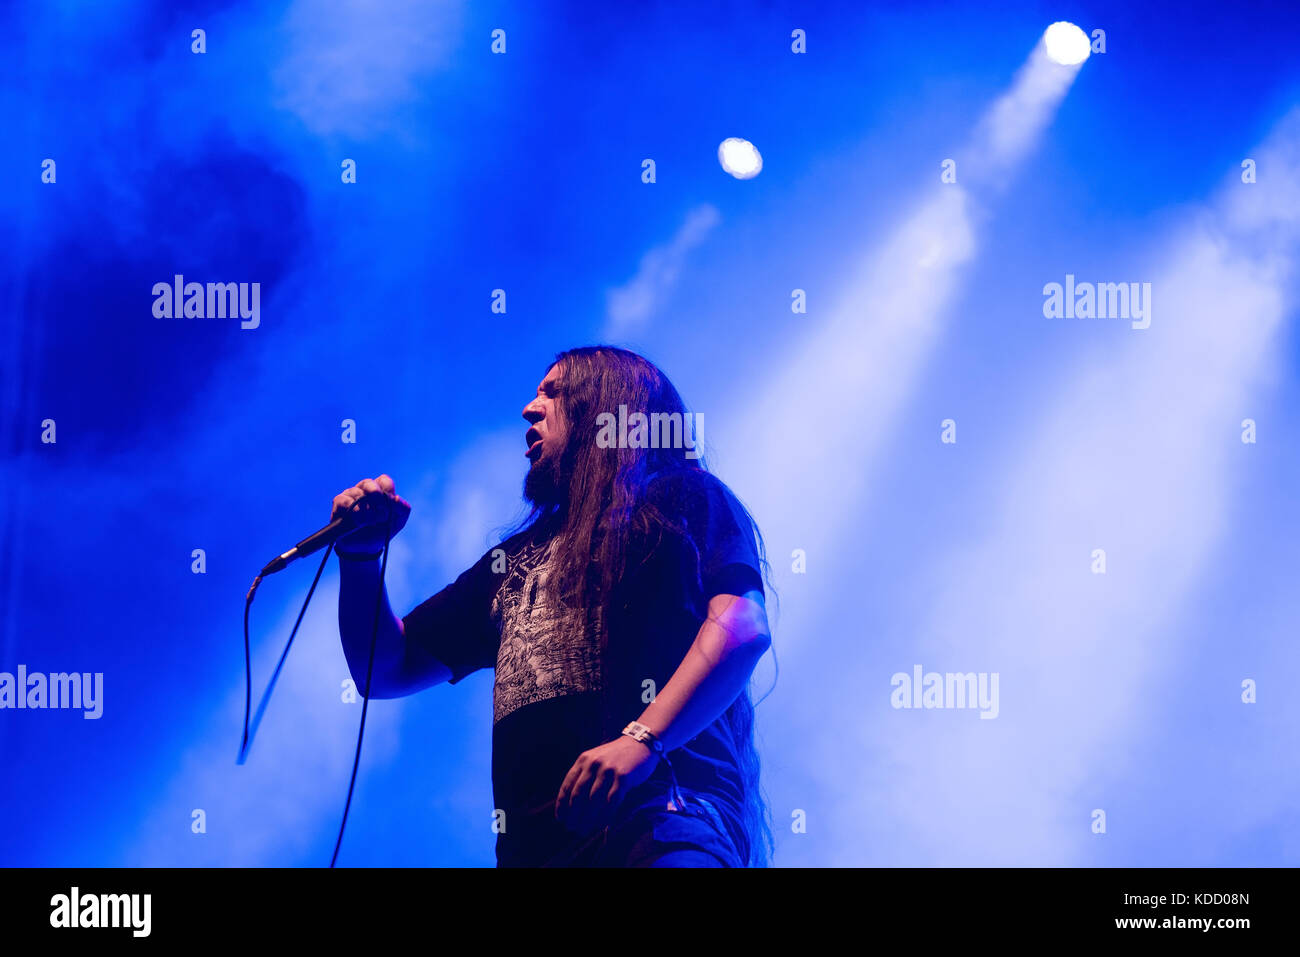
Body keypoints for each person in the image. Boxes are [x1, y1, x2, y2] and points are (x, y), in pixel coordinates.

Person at [332, 346, 773, 867]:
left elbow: (742, 627)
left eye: (553, 393)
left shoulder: (680, 498)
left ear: (607, 408)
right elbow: (382, 670)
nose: (529, 408)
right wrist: (360, 558)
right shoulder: (511, 563)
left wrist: (642, 741)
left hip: (662, 821)